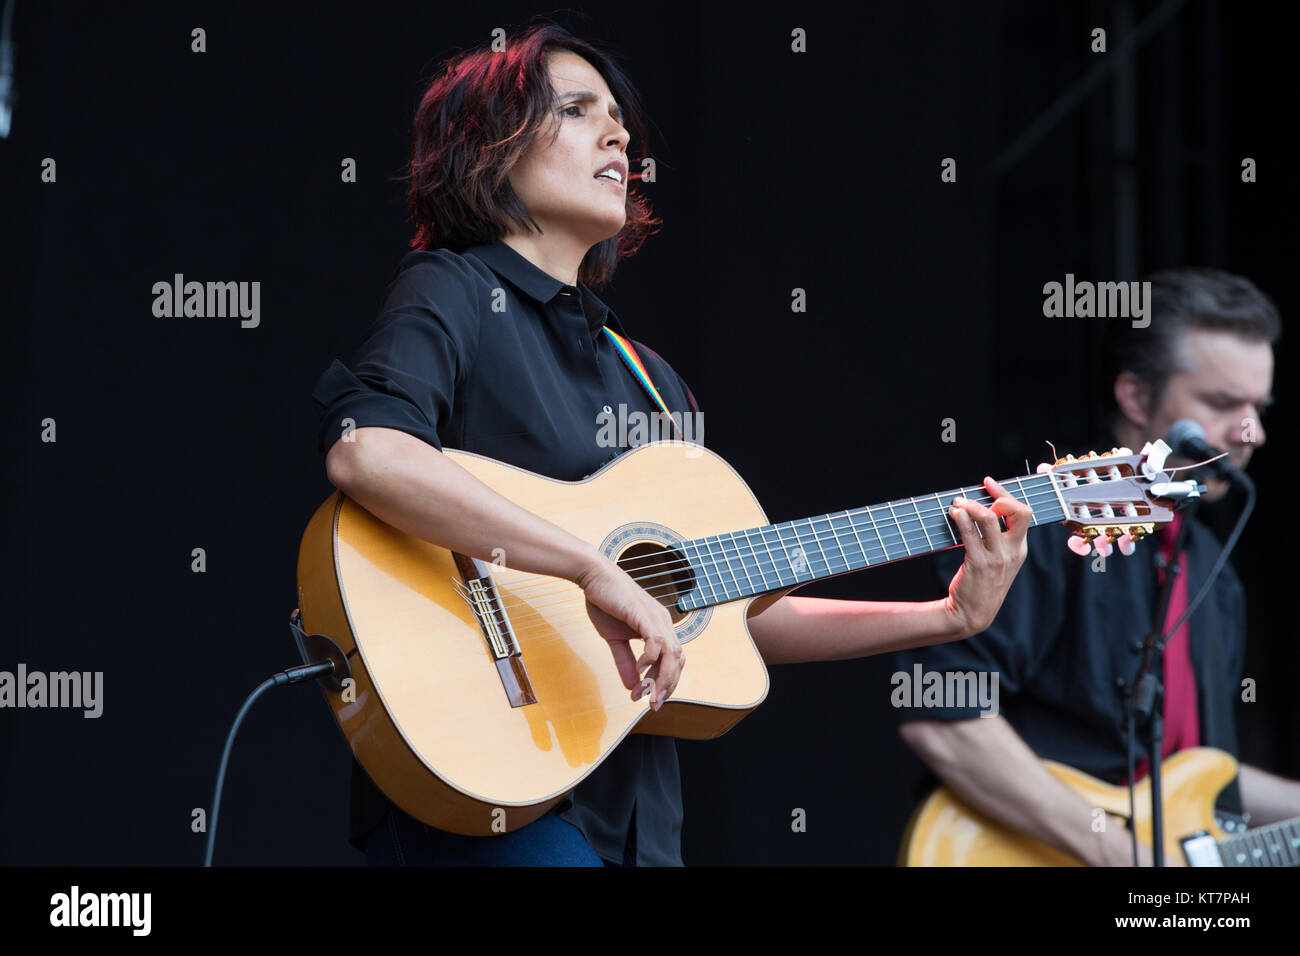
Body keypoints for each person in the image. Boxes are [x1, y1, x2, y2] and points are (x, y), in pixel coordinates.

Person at [313, 22, 1032, 867]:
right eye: (578, 110)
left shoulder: (649, 380)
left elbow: (734, 614)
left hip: (635, 811)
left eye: (619, 118)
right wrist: (589, 567)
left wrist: (946, 617)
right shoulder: (455, 289)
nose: (619, 134)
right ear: (488, 147)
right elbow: (368, 453)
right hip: (496, 782)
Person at [895, 268, 1300, 866]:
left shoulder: (1215, 573)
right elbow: (942, 716)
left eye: (1257, 408)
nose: (1252, 433)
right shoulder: (1039, 526)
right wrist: (1115, 852)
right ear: (1135, 396)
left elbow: (1196, 773)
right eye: (1222, 404)